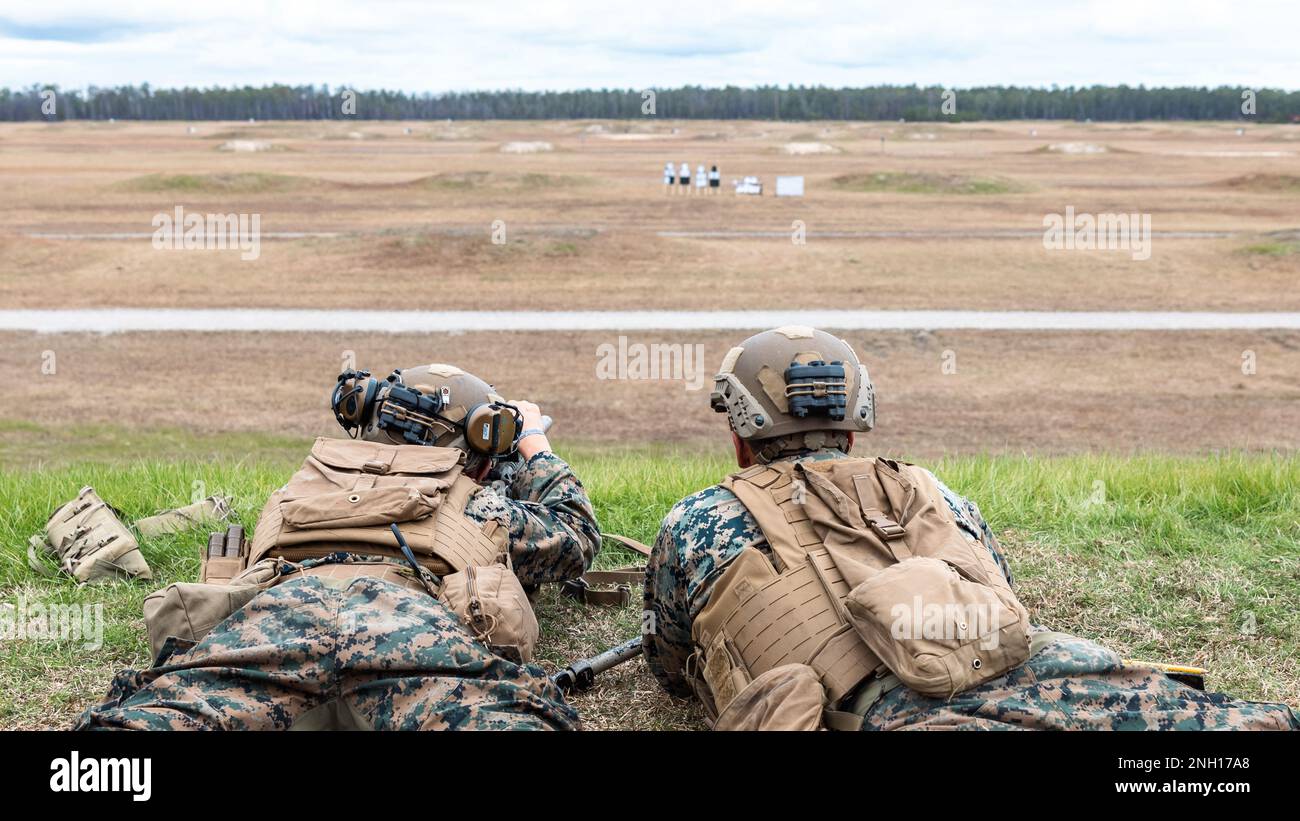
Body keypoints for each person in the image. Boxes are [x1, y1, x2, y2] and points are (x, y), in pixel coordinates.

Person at [642, 326, 1298, 731]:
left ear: (740, 437)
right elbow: (1001, 595)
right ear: (851, 424)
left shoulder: (695, 522)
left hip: (882, 710)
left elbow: (670, 668)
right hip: (1040, 667)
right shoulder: (935, 489)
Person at [77, 363, 602, 731]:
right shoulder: (479, 504)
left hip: (275, 615)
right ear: (480, 449)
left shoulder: (299, 486)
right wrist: (535, 445)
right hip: (407, 622)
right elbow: (575, 534)